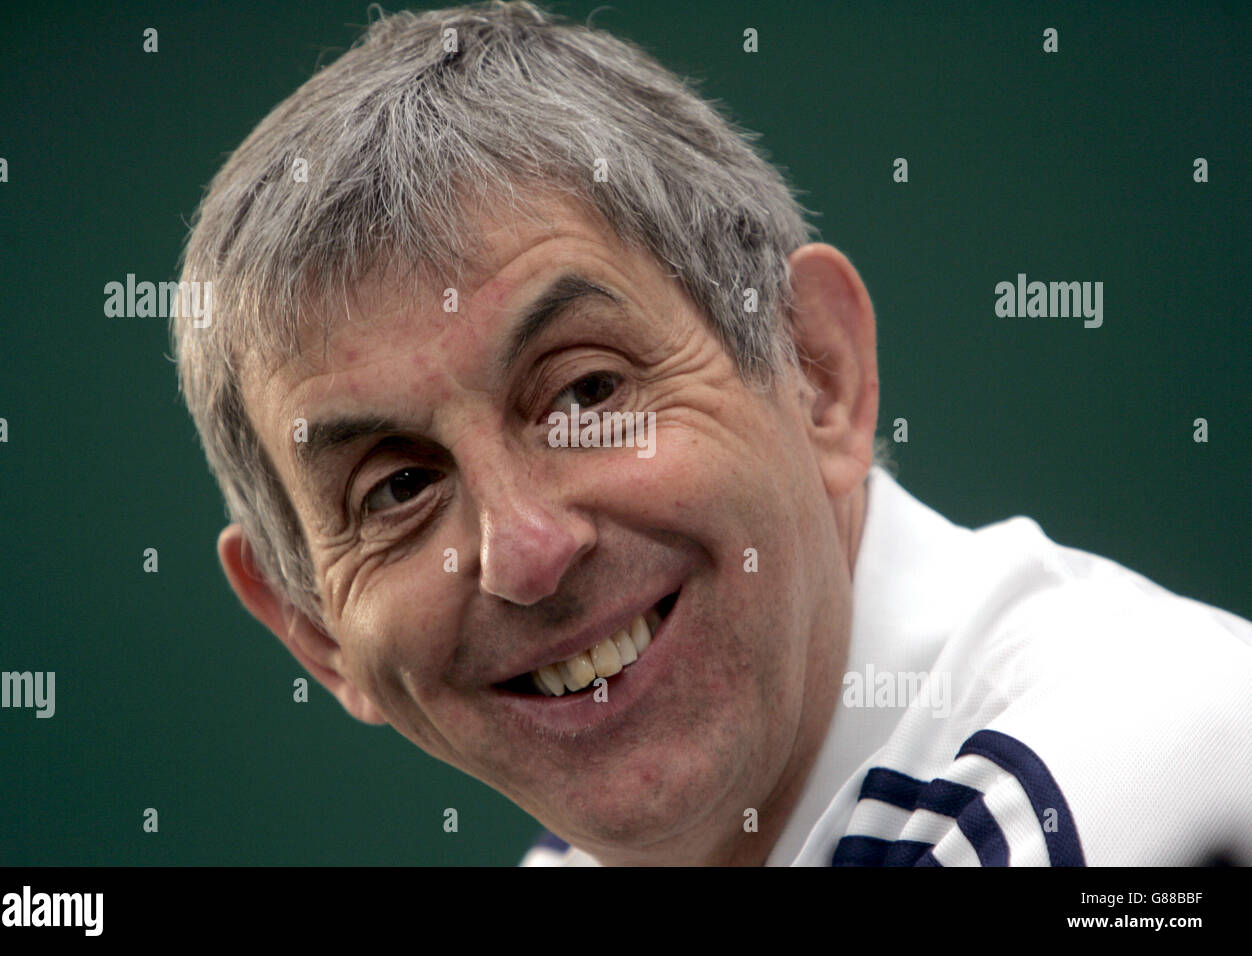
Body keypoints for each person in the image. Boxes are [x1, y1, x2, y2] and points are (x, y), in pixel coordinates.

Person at [171, 1, 1252, 866]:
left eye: (585, 394)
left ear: (816, 372)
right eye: (397, 485)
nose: (525, 549)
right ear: (313, 630)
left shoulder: (1131, 769)